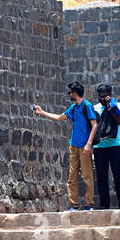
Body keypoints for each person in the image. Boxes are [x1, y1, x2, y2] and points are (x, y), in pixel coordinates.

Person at [34, 81, 96, 210]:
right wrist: (42, 112)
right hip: (73, 146)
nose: (69, 95)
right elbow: (58, 118)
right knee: (72, 176)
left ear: (75, 93)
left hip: (85, 146)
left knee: (87, 176)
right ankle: (74, 204)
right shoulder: (73, 108)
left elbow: (94, 125)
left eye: (70, 93)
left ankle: (89, 204)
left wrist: (89, 144)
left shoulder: (87, 105)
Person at [91, 83, 120, 209]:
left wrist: (110, 108)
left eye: (105, 96)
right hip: (99, 147)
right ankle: (104, 206)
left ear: (110, 95)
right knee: (102, 178)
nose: (102, 99)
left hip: (115, 146)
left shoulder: (118, 106)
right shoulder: (94, 108)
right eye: (100, 97)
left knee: (118, 176)